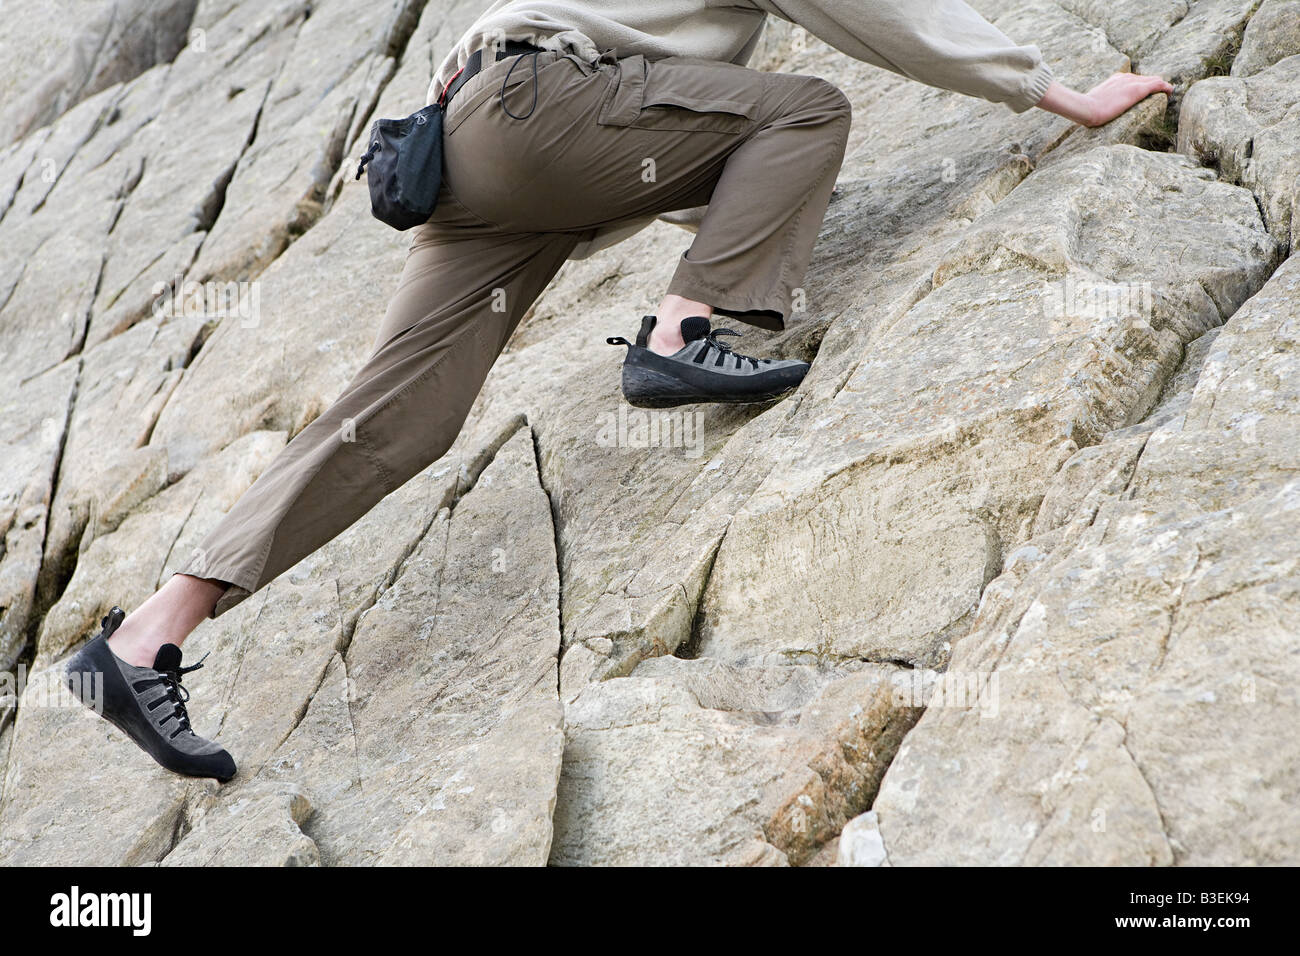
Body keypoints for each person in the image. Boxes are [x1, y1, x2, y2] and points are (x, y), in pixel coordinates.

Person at [65, 0, 1172, 781]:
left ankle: (146, 636)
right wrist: (1052, 90)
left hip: (471, 145)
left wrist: (752, 212)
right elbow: (871, 18)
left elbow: (677, 145)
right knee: (809, 106)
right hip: (544, 111)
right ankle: (682, 334)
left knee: (401, 412)